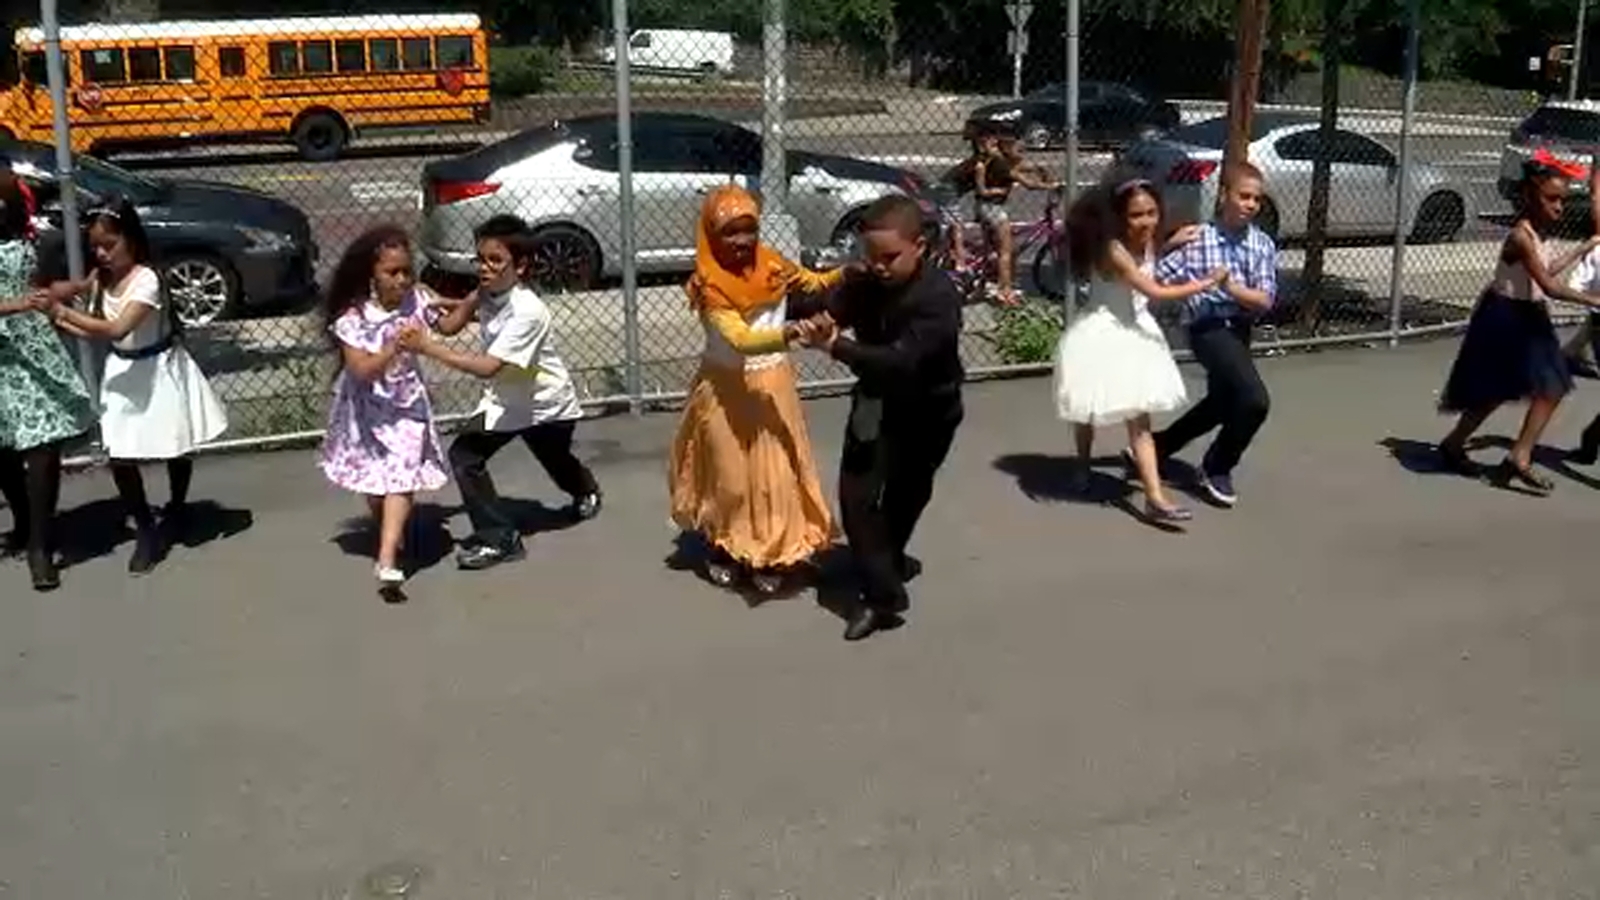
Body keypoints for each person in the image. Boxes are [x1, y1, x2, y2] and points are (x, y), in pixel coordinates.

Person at [790, 194, 964, 642]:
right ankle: (883, 597)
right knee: (856, 497)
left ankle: (883, 564)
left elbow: (903, 361)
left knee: (906, 494)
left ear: (919, 247)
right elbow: (828, 307)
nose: (880, 266)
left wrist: (836, 347)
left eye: (890, 257)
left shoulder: (938, 296)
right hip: (875, 403)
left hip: (929, 410)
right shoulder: (865, 282)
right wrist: (811, 320)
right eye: (872, 256)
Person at [38, 198, 228, 575]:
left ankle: (177, 505)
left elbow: (117, 328)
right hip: (123, 372)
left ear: (131, 239)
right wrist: (57, 312)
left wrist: (62, 313)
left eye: (110, 244)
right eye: (95, 246)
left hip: (159, 368)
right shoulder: (101, 279)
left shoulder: (147, 279)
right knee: (121, 454)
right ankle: (145, 528)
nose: (102, 253)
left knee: (176, 444)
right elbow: (95, 327)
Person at [403, 214, 602, 571]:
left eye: (495, 260)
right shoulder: (485, 291)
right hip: (508, 402)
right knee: (466, 457)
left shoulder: (529, 312)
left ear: (521, 266)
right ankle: (500, 537)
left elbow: (487, 367)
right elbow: (451, 326)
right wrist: (432, 308)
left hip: (546, 405)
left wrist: (427, 348)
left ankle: (584, 492)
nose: (485, 268)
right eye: (480, 258)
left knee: (556, 461)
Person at [669, 185, 841, 595]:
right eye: (730, 232)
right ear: (712, 234)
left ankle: (770, 552)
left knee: (774, 476)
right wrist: (792, 332)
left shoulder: (774, 266)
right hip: (725, 391)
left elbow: (813, 282)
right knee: (729, 478)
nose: (743, 241)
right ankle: (726, 548)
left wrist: (847, 272)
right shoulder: (711, 285)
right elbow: (742, 340)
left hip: (772, 387)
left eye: (749, 230)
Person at [1054, 178, 1223, 523]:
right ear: (1119, 219)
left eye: (1151, 213)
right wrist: (1206, 283)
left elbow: (1151, 253)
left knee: (1139, 419)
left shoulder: (1148, 240)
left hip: (1136, 332)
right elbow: (1155, 290)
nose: (1146, 221)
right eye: (1136, 215)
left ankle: (1154, 496)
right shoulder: (1113, 250)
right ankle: (1083, 466)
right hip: (1102, 333)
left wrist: (1172, 241)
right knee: (1087, 410)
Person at [1438, 155, 1600, 490]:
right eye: (1552, 199)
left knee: (1549, 386)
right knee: (1499, 390)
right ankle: (1458, 445)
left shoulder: (1539, 233)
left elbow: (1548, 271)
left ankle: (1515, 456)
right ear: (1529, 196)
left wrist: (1581, 249)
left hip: (1528, 316)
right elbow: (1550, 287)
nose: (1560, 208)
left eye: (1562, 200)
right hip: (1505, 318)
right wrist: (1594, 300)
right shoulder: (1521, 236)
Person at [317, 226, 449, 600]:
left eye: (407, 271)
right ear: (371, 275)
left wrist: (468, 302)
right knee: (377, 485)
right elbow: (360, 370)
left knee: (402, 476)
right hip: (367, 411)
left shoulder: (417, 301)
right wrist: (392, 347)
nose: (402, 280)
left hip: (408, 406)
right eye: (393, 272)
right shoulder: (354, 317)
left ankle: (388, 557)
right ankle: (388, 526)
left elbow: (448, 325)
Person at [1149, 162, 1278, 508]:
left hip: (1239, 329)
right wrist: (1165, 246)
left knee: (1224, 402)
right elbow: (1153, 279)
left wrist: (1231, 287)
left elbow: (1264, 300)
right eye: (1244, 196)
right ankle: (1217, 466)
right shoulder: (1198, 239)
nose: (1251, 204)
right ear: (1224, 196)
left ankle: (1157, 447)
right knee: (1254, 400)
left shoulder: (1261, 244)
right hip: (1207, 329)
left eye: (1256, 199)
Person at [0, 165, 95, 591]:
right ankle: (22, 522)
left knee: (42, 445)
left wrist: (72, 287)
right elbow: (19, 296)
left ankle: (41, 543)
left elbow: (37, 285)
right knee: (4, 451)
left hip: (32, 350)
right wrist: (16, 304)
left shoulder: (25, 236)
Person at [973, 129, 1061, 305]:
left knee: (1001, 248)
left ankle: (989, 284)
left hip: (987, 207)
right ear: (1007, 149)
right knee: (1006, 251)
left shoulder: (999, 161)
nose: (1021, 152)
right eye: (1017, 149)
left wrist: (1040, 170)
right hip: (993, 208)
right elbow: (1027, 183)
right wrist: (1050, 186)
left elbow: (1027, 167)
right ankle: (1005, 291)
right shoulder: (1002, 165)